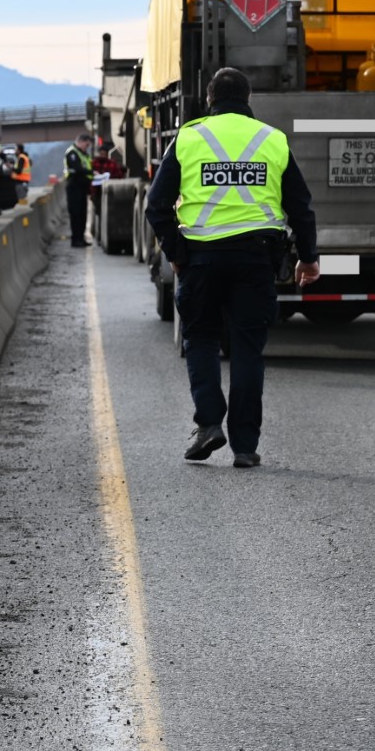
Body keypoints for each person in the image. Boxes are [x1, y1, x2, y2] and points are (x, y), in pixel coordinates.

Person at [146, 66, 320, 468]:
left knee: (202, 339)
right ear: (248, 99)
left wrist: (175, 250)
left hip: (201, 259)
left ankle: (209, 424)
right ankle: (245, 446)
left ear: (209, 99)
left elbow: (157, 205)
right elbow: (300, 206)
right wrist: (308, 259)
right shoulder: (272, 140)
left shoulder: (189, 137)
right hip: (256, 259)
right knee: (247, 350)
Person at [64, 132, 95, 247]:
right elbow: (77, 168)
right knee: (76, 214)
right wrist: (91, 172)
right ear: (81, 142)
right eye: (86, 145)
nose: (87, 147)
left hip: (82, 187)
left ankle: (81, 238)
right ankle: (76, 239)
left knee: (82, 214)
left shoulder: (83, 153)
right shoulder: (72, 153)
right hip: (74, 187)